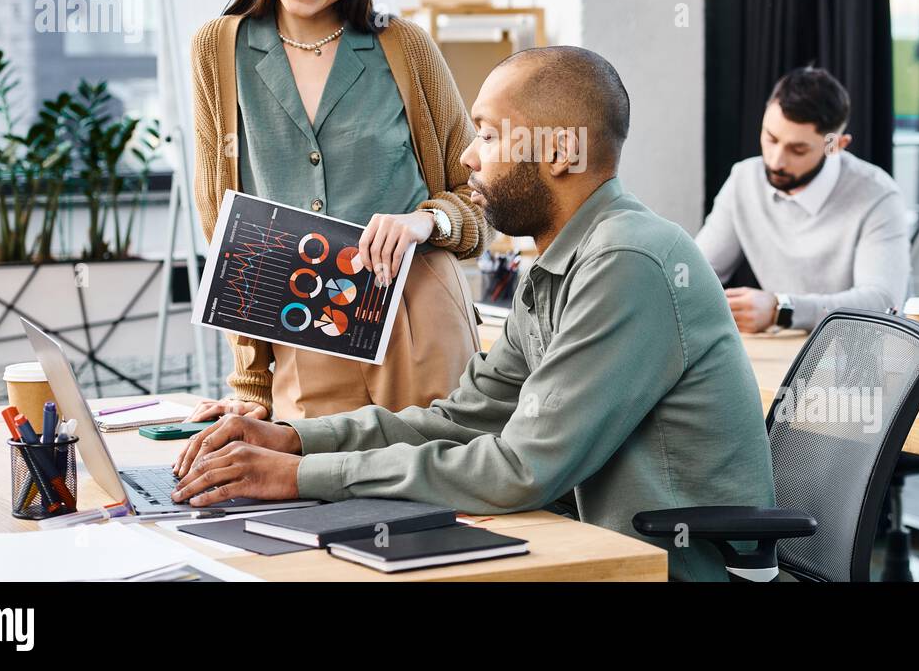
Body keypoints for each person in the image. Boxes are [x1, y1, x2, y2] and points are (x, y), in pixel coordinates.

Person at [173, 46, 774, 581]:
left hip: (666, 566)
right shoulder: (557, 265)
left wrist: (297, 478)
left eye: (487, 134)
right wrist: (294, 440)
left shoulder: (629, 262)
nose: (466, 157)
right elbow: (464, 420)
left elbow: (520, 470)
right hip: (586, 547)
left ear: (560, 152)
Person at [188, 0, 489, 422]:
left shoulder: (404, 48)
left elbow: (479, 196)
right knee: (311, 505)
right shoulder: (219, 48)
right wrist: (251, 385)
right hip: (301, 329)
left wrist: (422, 221)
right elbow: (227, 227)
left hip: (417, 315)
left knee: (443, 498)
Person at [696, 66, 910, 333]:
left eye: (798, 149)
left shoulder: (877, 195)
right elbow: (696, 274)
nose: (776, 161)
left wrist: (781, 309)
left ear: (836, 145)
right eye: (771, 138)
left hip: (862, 358)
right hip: (785, 351)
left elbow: (883, 302)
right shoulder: (744, 180)